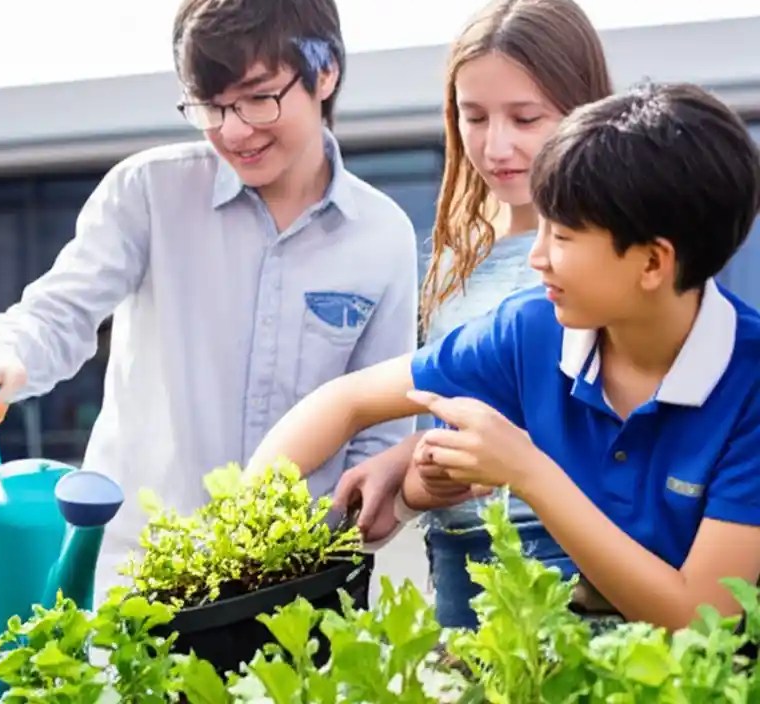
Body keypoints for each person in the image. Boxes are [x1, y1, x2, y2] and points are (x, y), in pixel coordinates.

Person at [0, 0, 418, 596]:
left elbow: (382, 428)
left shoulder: (383, 234)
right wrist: (4, 351)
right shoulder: (148, 192)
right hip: (137, 576)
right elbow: (58, 311)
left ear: (326, 72)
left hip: (298, 584)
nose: (234, 131)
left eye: (258, 99)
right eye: (210, 106)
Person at [248, 80, 760, 630]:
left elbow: (698, 616)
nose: (536, 258)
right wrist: (237, 539)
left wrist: (528, 471)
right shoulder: (531, 328)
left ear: (654, 264)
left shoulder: (748, 386)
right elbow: (347, 402)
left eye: (562, 238)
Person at [328, 0, 613, 629]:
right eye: (474, 117)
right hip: (456, 575)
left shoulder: (607, 252)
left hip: (573, 586)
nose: (495, 146)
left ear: (581, 109)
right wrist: (405, 470)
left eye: (525, 117)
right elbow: (467, 402)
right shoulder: (457, 255)